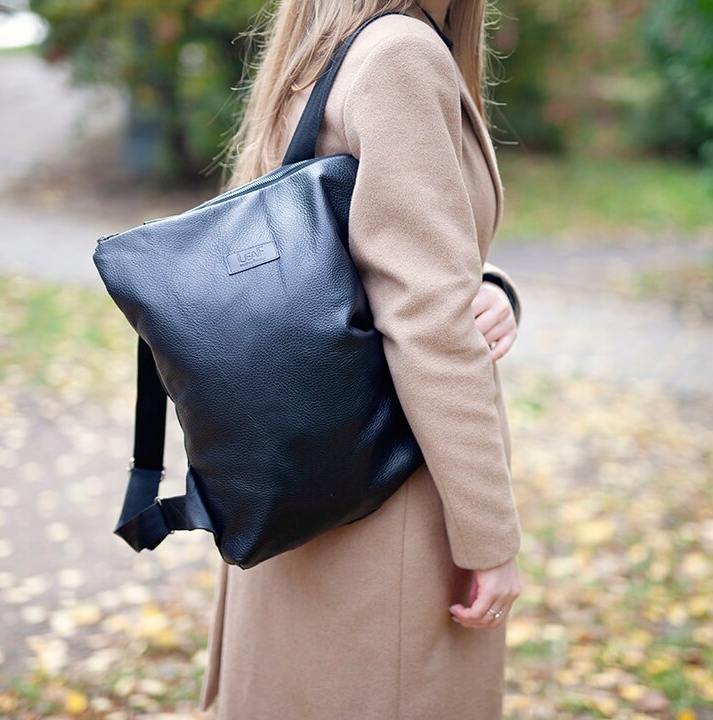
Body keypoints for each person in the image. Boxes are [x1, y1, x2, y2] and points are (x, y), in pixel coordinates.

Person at [198, 1, 524, 717]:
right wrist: (490, 538)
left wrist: (488, 288)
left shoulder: (324, 47)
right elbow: (426, 316)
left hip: (309, 487)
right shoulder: (400, 54)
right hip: (388, 507)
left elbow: (347, 257)